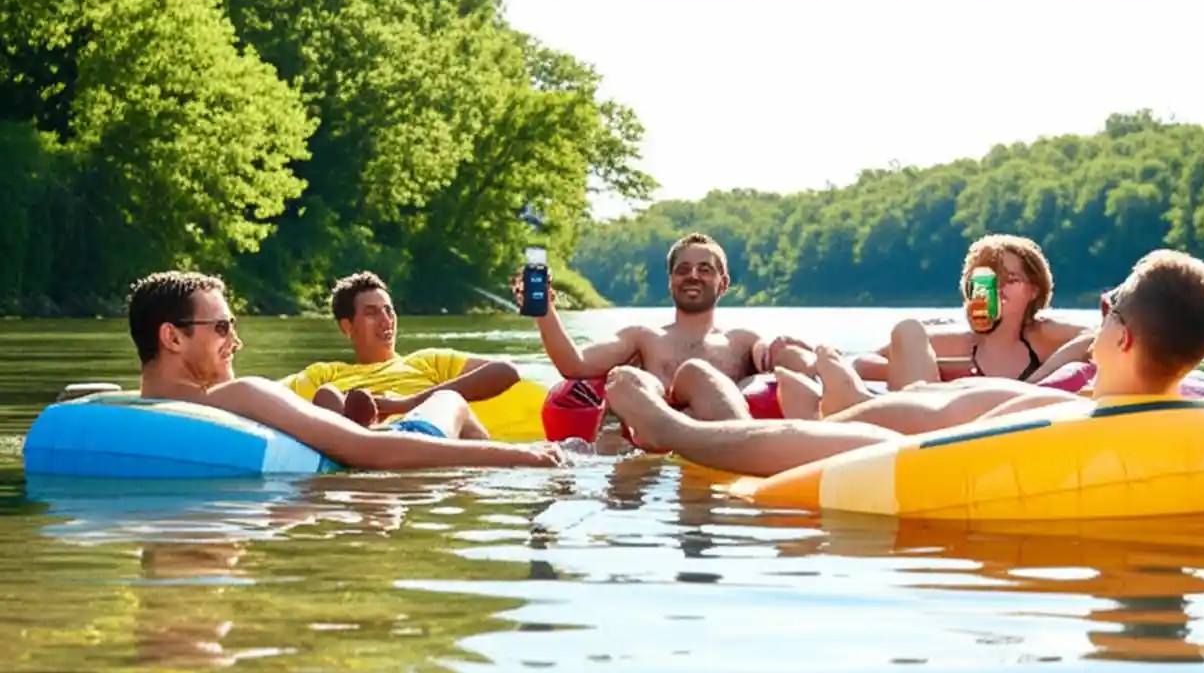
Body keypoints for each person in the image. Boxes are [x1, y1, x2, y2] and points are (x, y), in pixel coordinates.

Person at [603, 249, 1204, 477]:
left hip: (902, 441)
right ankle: (838, 390)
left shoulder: (1055, 412)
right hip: (928, 415)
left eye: (1107, 307)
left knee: (868, 432)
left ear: (1122, 338)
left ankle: (671, 428)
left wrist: (678, 433)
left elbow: (863, 444)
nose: (1095, 317)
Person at [128, 270, 566, 469]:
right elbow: (371, 453)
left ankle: (341, 414)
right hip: (402, 446)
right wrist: (520, 455)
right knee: (448, 399)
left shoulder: (131, 409)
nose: (236, 342)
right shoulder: (242, 394)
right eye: (222, 327)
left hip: (362, 434)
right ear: (172, 337)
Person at [512, 232, 812, 421]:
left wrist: (805, 357)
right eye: (683, 270)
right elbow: (574, 364)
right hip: (654, 455)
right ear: (671, 282)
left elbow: (776, 354)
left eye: (705, 269)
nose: (693, 275)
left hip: (723, 444)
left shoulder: (744, 342)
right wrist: (544, 311)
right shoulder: (643, 338)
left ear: (724, 284)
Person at [279, 271, 522, 426]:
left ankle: (363, 433)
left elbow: (505, 372)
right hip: (356, 440)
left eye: (389, 310)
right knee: (327, 395)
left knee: (447, 399)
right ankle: (357, 430)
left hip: (423, 434)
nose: (386, 321)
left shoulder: (428, 361)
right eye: (371, 313)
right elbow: (258, 397)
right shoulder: (324, 374)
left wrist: (405, 404)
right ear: (347, 327)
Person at [853, 234, 1091, 390]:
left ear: (1033, 290)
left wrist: (1036, 383)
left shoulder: (1044, 334)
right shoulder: (957, 342)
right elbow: (861, 363)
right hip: (951, 430)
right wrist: (931, 372)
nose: (998, 287)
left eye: (1011, 279)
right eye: (988, 280)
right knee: (908, 329)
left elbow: (1097, 336)